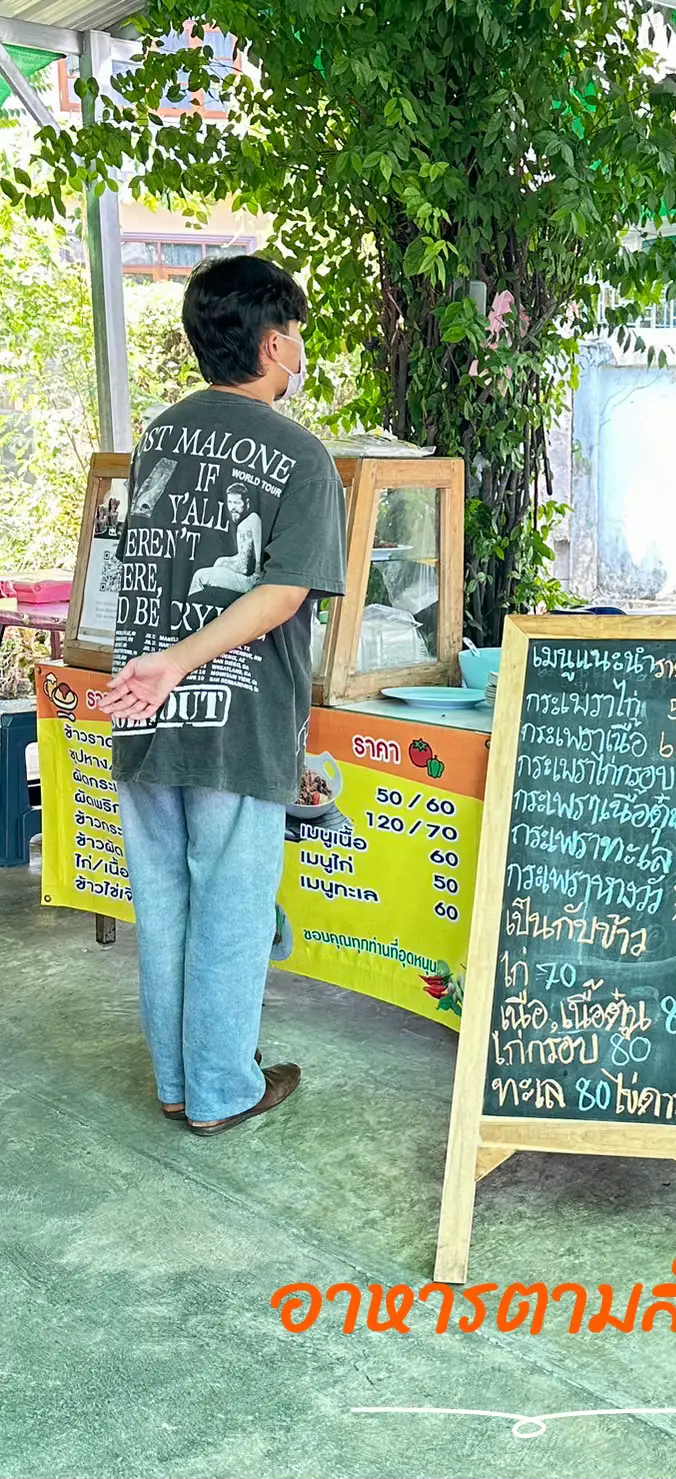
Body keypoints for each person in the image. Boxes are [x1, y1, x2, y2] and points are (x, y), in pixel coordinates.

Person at [101, 254, 347, 1136]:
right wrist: (184, 660)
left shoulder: (163, 433)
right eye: (300, 337)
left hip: (141, 710)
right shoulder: (301, 454)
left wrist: (159, 666)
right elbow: (282, 594)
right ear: (275, 344)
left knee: (163, 902)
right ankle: (220, 1090)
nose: (302, 350)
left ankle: (178, 1079)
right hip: (237, 721)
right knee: (232, 913)